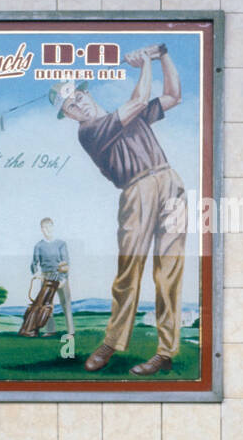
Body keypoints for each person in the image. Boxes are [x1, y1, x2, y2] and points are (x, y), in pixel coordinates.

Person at [53, 44, 185, 376]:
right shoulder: (90, 132)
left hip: (170, 181)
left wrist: (164, 54)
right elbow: (139, 101)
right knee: (130, 271)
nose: (79, 104)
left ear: (87, 93)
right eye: (70, 105)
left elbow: (173, 95)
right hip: (136, 190)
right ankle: (112, 342)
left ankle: (166, 351)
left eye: (79, 96)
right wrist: (144, 64)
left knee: (169, 270)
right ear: (68, 115)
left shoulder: (127, 114)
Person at [30, 217, 74, 337]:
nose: (47, 230)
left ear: (53, 227)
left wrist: (64, 278)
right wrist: (36, 273)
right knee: (46, 305)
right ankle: (50, 330)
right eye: (44, 227)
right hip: (46, 278)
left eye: (49, 226)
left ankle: (71, 332)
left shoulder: (61, 244)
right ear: (41, 229)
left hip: (60, 277)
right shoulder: (38, 246)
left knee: (66, 303)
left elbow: (66, 262)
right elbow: (34, 264)